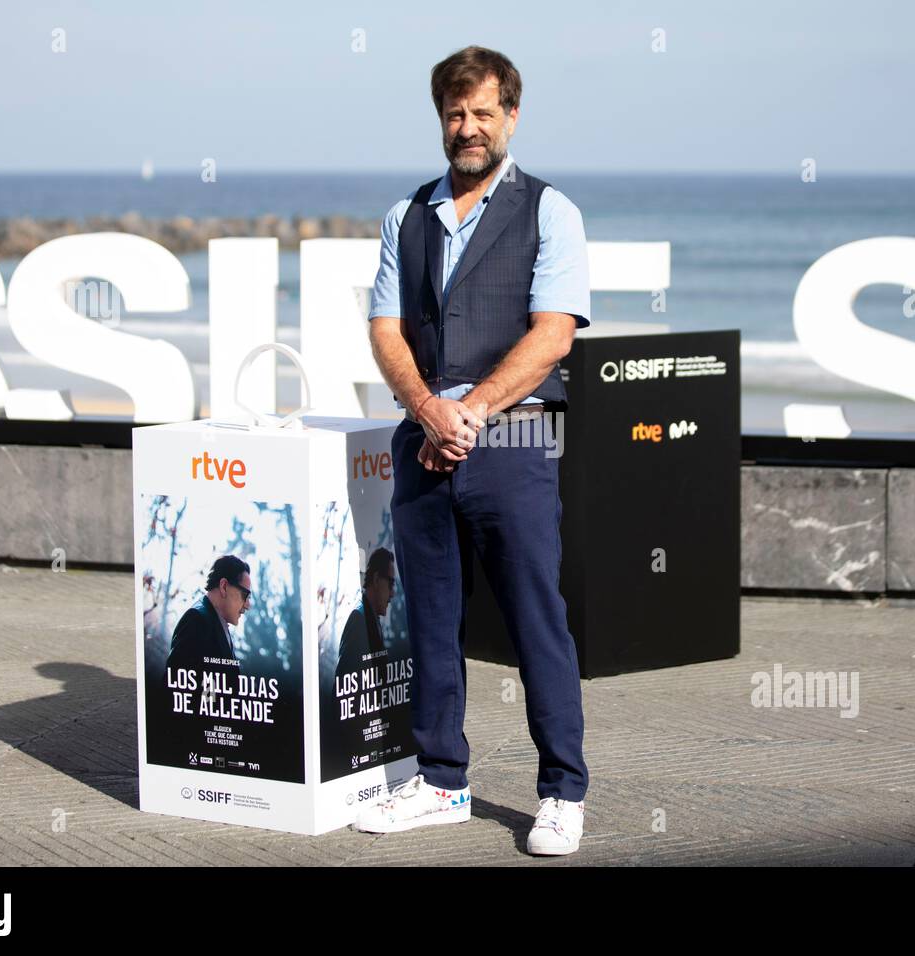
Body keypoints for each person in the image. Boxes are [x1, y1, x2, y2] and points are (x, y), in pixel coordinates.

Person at [355, 45, 589, 855]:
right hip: (424, 442)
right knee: (431, 622)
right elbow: (386, 330)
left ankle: (562, 792)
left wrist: (475, 410)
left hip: (514, 440)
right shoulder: (406, 216)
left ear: (511, 116)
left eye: (483, 112)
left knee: (536, 622)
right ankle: (441, 780)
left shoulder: (550, 211)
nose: (468, 128)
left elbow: (553, 335)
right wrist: (427, 409)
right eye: (455, 114)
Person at [165, 555, 252, 674]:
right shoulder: (196, 621)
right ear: (224, 586)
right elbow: (175, 684)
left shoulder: (215, 622)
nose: (248, 605)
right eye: (245, 595)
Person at [335, 548, 395, 680]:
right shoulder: (358, 620)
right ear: (376, 579)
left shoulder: (371, 619)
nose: (392, 593)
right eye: (390, 583)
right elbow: (344, 683)